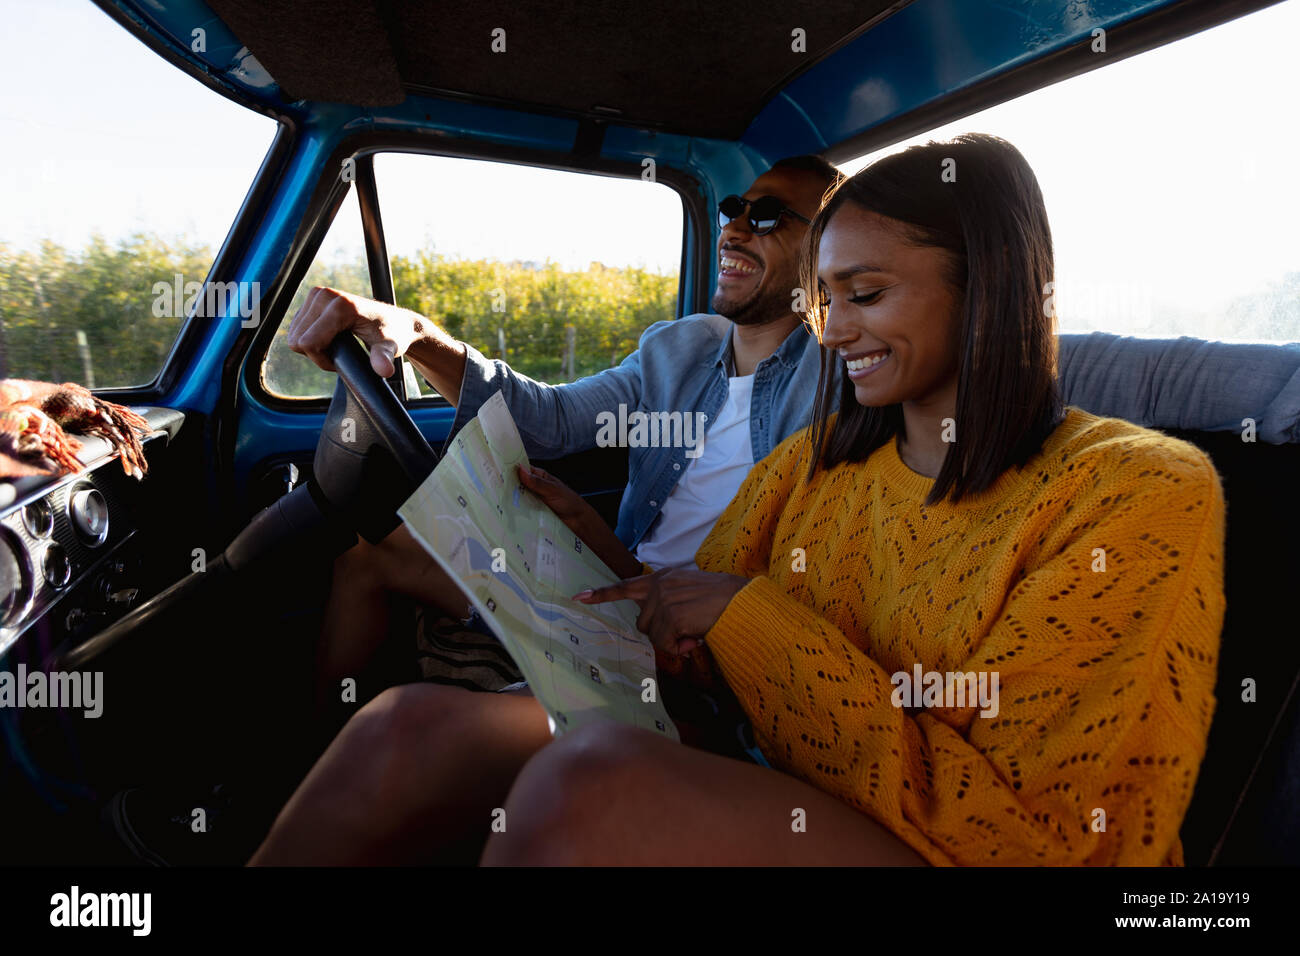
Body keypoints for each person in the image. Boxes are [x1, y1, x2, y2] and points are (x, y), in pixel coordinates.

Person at [255, 132, 1223, 866]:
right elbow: (703, 642)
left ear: (989, 291)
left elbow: (1037, 835)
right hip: (761, 758)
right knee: (404, 727)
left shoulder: (1132, 493)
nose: (835, 329)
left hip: (954, 847)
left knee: (585, 789)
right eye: (826, 298)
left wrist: (743, 621)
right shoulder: (814, 463)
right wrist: (621, 567)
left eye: (867, 294)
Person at [286, 155, 841, 708]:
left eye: (768, 216)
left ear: (828, 250)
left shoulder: (845, 381)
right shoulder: (678, 348)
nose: (736, 229)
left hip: (700, 641)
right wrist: (417, 332)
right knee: (368, 552)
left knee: (410, 720)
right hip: (612, 584)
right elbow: (549, 421)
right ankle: (300, 770)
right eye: (733, 210)